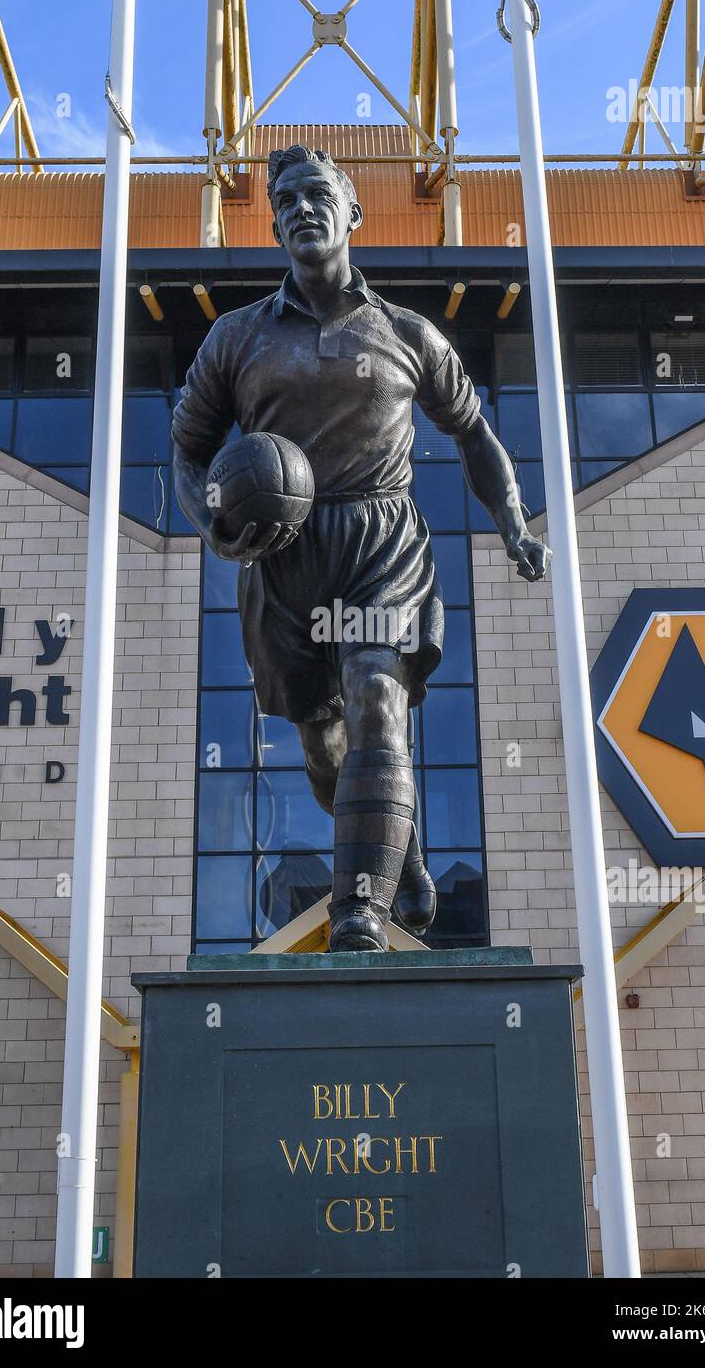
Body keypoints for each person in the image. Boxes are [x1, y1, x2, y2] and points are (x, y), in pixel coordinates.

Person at [173, 145, 550, 952]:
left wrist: (513, 521)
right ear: (275, 222)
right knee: (323, 742)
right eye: (285, 200)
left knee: (379, 702)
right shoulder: (236, 338)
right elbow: (188, 447)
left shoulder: (408, 334)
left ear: (352, 215)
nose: (300, 208)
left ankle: (359, 910)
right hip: (283, 554)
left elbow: (476, 435)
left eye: (317, 195)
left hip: (381, 542)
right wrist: (211, 521)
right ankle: (400, 850)